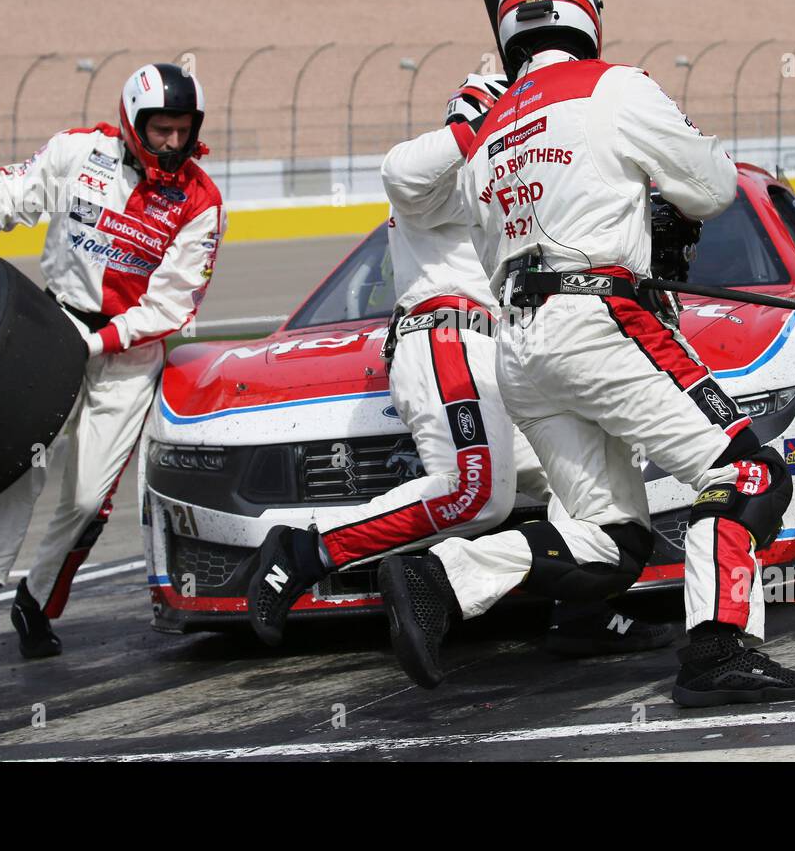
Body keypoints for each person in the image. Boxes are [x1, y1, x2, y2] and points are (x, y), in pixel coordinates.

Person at [376, 0, 795, 707]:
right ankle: (719, 651)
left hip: (519, 343)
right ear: (587, 22)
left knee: (610, 536)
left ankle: (440, 577)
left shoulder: (485, 133)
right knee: (748, 475)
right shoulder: (614, 85)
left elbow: (423, 191)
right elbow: (710, 187)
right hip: (602, 318)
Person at [246, 72, 674, 657]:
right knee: (476, 495)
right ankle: (306, 551)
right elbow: (399, 172)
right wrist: (473, 125)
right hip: (447, 337)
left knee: (579, 485)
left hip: (501, 353)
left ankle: (582, 610)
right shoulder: (438, 175)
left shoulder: (506, 183)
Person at [0, 63, 225, 666]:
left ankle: (34, 603)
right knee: (20, 466)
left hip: (127, 356)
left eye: (182, 130)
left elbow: (172, 302)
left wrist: (97, 345)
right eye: (161, 129)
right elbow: (16, 188)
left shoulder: (202, 201)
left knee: (90, 498)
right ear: (133, 121)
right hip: (52, 327)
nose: (172, 143)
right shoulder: (77, 152)